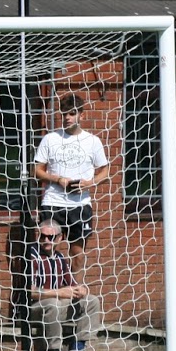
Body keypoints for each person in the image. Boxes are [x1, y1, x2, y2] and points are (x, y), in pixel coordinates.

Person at [33, 94, 110, 281]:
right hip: (53, 202)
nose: (67, 117)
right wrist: (57, 179)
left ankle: (73, 290)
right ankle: (49, 289)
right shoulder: (51, 139)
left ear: (81, 116)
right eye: (64, 114)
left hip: (80, 205)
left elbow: (105, 171)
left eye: (72, 113)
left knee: (77, 253)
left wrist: (88, 184)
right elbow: (36, 170)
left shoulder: (92, 141)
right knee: (48, 249)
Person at [27, 216, 102, 351]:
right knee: (53, 302)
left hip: (55, 307)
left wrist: (81, 290)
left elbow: (72, 285)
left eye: (51, 237)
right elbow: (29, 291)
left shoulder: (60, 258)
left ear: (60, 237)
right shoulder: (31, 256)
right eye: (43, 236)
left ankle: (78, 349)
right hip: (32, 309)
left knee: (92, 301)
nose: (46, 240)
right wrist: (59, 292)